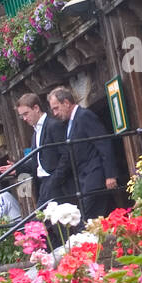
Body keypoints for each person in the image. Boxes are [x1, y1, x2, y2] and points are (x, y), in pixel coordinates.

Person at [46, 86, 118, 220]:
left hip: (94, 177)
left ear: (66, 103)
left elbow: (103, 143)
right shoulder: (70, 123)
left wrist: (110, 175)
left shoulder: (84, 116)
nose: (54, 113)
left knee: (86, 220)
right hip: (85, 180)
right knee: (98, 218)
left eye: (56, 108)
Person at [0, 92, 68, 209]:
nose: (25, 119)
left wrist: (54, 179)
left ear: (36, 108)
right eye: (22, 116)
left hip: (56, 183)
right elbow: (37, 160)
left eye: (26, 114)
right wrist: (17, 168)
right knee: (41, 222)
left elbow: (66, 155)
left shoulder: (53, 125)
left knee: (47, 223)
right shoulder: (35, 133)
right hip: (42, 184)